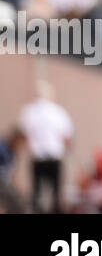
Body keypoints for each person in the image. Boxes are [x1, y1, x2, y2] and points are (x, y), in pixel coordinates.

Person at [17, 81, 72, 213]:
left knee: (37, 194)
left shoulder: (29, 111)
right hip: (54, 158)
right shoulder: (58, 112)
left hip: (38, 158)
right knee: (56, 195)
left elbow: (24, 135)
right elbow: (67, 137)